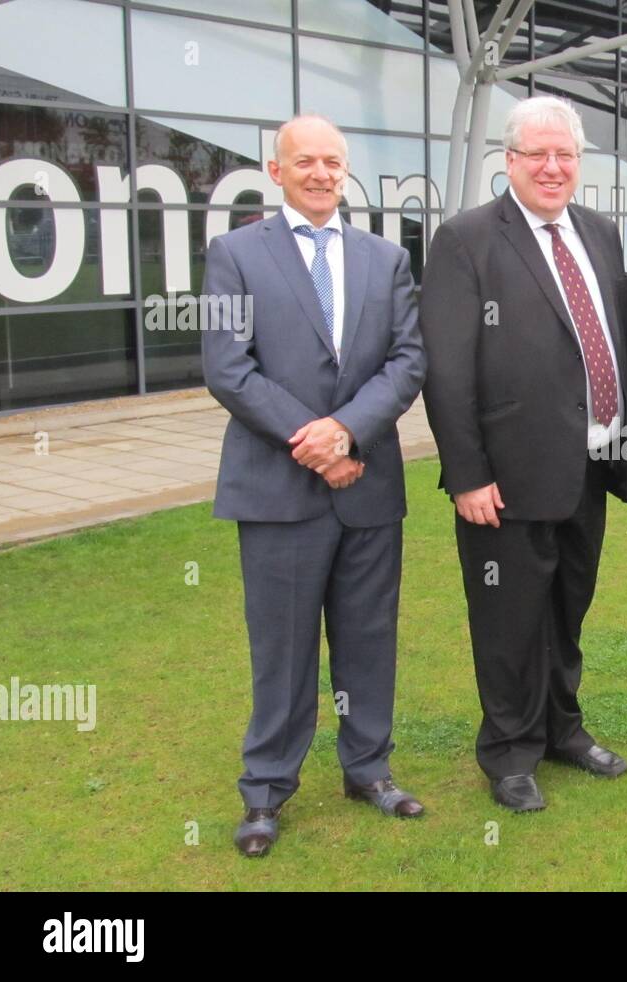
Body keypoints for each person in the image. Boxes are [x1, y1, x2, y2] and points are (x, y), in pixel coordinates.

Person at [202, 115, 429, 857]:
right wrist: (318, 442)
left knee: (369, 639)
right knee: (283, 648)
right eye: (305, 161)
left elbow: (407, 361)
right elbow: (227, 368)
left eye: (333, 161)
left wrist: (348, 433)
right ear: (276, 171)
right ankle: (266, 790)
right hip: (278, 490)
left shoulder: (386, 259)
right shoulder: (235, 254)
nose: (322, 173)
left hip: (368, 486)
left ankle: (368, 770)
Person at [421, 96, 627, 813]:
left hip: (589, 465)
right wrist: (467, 473)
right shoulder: (466, 239)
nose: (552, 167)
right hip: (505, 477)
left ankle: (562, 730)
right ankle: (510, 751)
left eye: (564, 155)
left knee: (568, 610)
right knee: (508, 620)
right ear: (509, 161)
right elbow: (446, 368)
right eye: (537, 154)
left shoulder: (600, 233)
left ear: (579, 162)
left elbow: (610, 334)